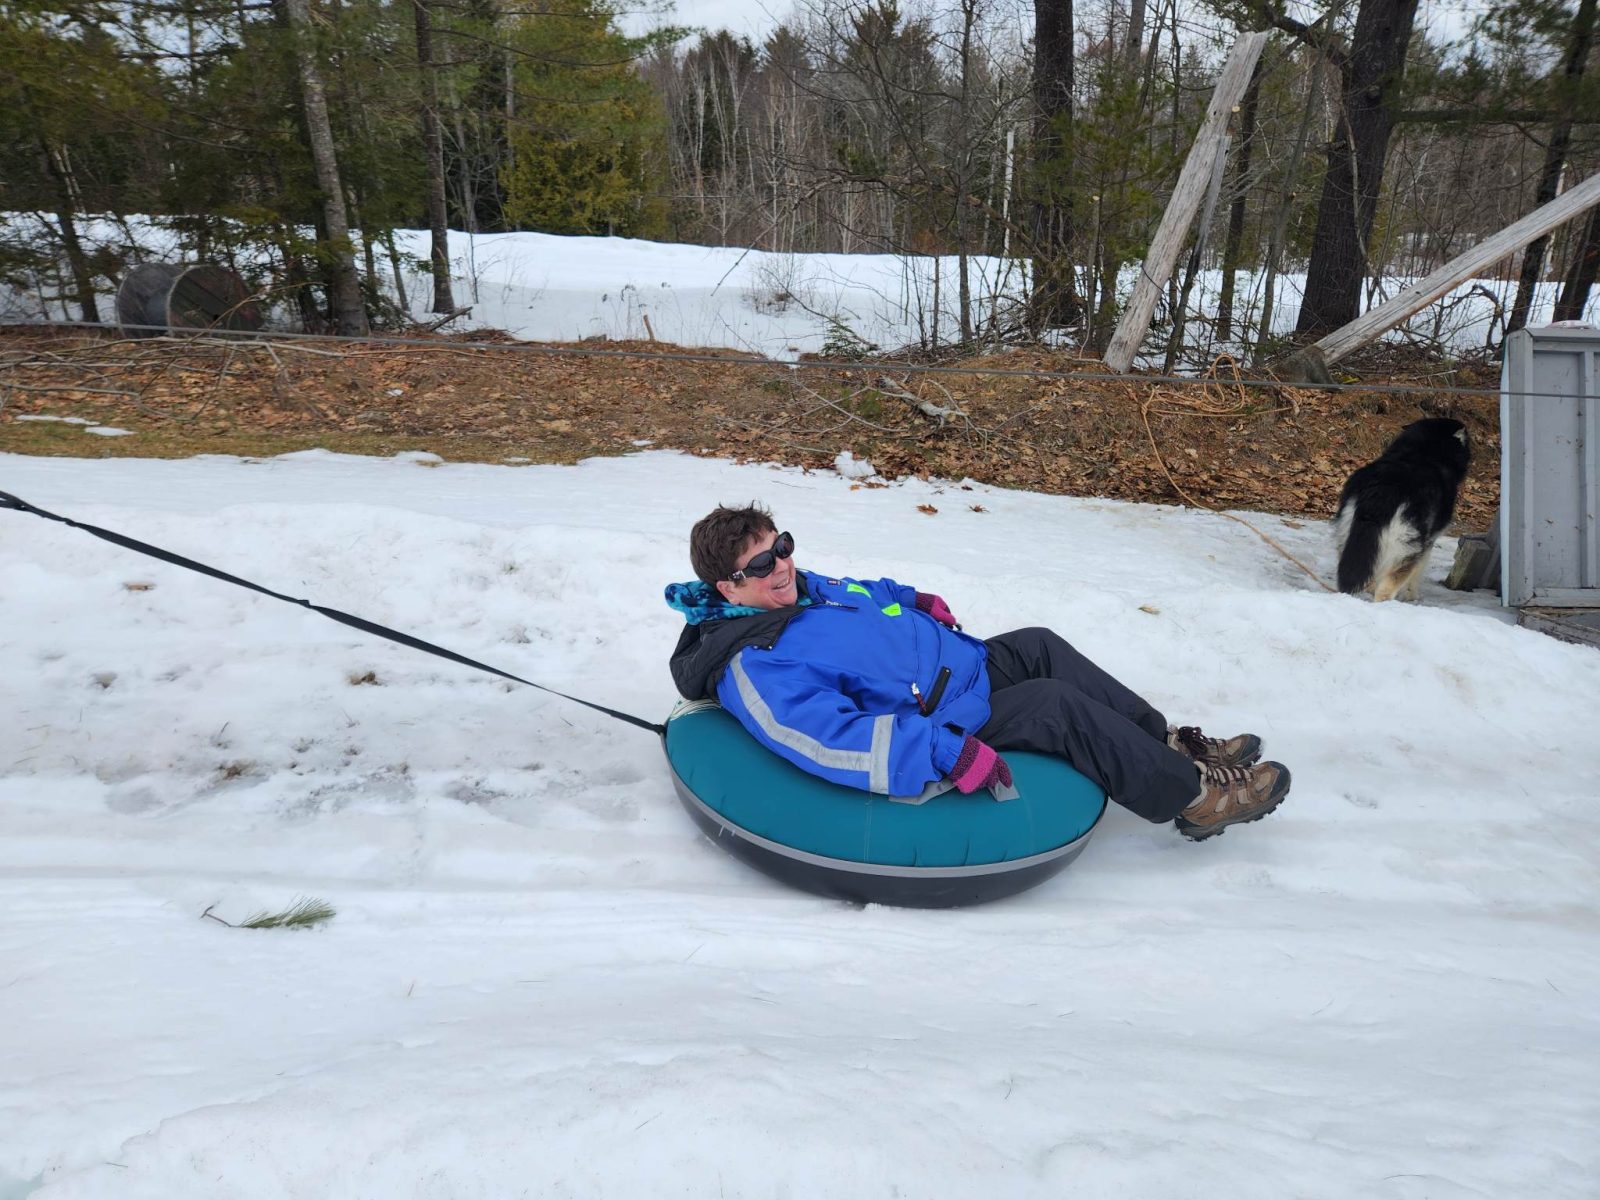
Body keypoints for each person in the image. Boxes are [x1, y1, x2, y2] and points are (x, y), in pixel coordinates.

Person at [665, 503, 1291, 840]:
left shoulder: (800, 587)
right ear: (728, 586)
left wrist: (913, 601)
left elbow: (862, 589)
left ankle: (1166, 743)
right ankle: (1195, 797)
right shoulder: (755, 664)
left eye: (783, 545)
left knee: (1038, 644)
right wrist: (946, 753)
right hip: (943, 719)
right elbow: (830, 741)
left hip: (962, 667)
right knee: (1051, 702)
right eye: (763, 563)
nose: (783, 564)